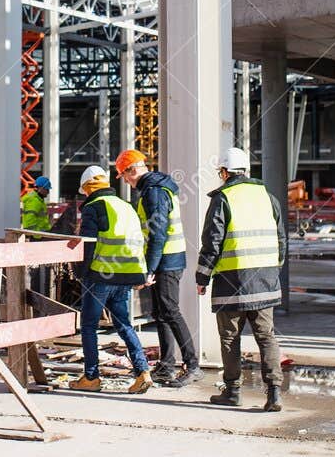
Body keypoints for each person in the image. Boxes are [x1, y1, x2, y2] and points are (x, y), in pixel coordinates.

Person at [196, 146, 286, 412]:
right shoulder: (267, 196)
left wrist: (202, 276)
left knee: (230, 337)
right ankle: (274, 393)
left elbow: (212, 242)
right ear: (246, 170)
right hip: (265, 280)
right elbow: (281, 239)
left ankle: (233, 391)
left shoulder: (222, 198)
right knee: (266, 336)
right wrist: (274, 269)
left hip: (231, 281)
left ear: (225, 172)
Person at [116, 149, 200, 387]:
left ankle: (192, 365)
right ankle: (166, 365)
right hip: (167, 259)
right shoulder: (155, 189)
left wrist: (149, 269)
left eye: (125, 175)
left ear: (133, 170)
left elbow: (158, 234)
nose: (125, 181)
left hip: (166, 261)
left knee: (170, 311)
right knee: (161, 313)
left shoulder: (154, 192)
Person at [71, 165, 153, 394]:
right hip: (126, 275)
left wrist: (81, 273)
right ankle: (143, 372)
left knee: (89, 326)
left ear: (88, 188)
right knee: (124, 324)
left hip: (100, 275)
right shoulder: (126, 206)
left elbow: (88, 245)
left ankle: (91, 377)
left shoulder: (94, 207)